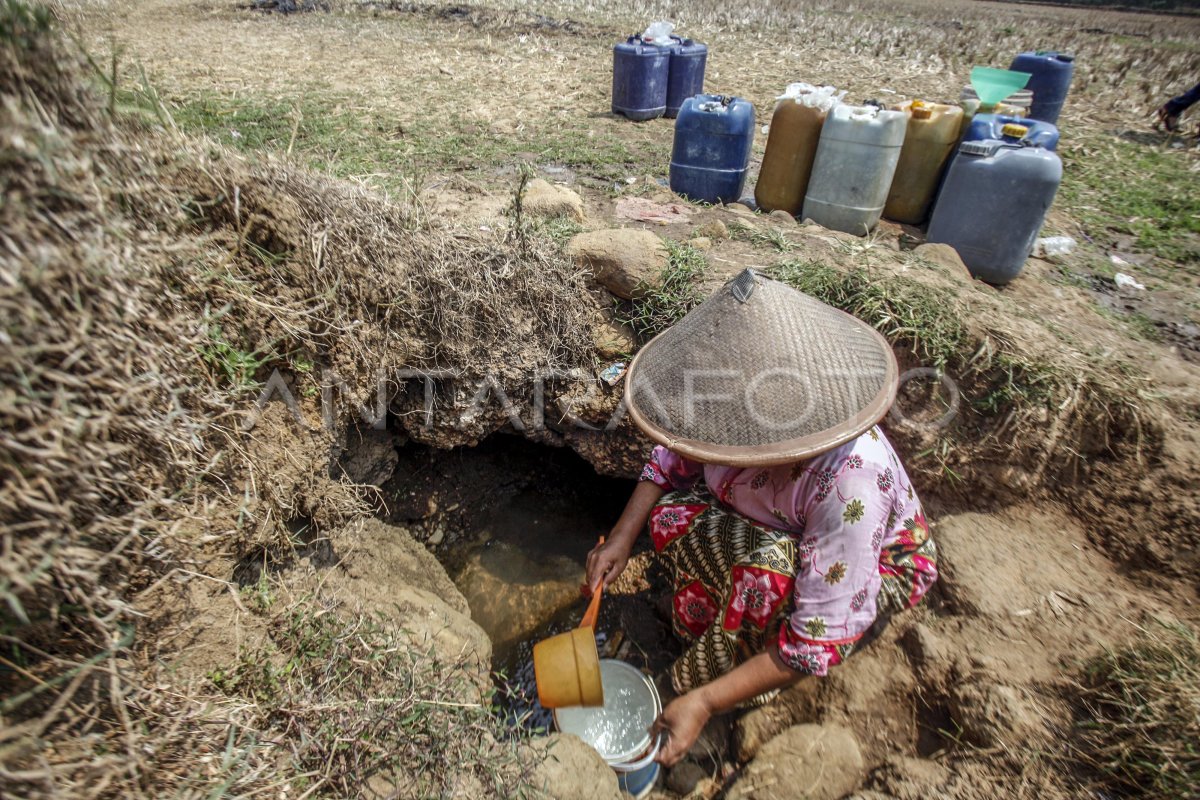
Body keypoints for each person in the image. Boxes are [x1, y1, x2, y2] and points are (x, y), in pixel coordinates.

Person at [585, 269, 938, 768]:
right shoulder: (723, 405)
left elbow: (815, 638)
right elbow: (671, 458)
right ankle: (713, 619)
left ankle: (725, 676)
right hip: (778, 519)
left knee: (762, 576)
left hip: (872, 565)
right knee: (671, 517)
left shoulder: (849, 485)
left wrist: (705, 702)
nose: (718, 441)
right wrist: (621, 538)